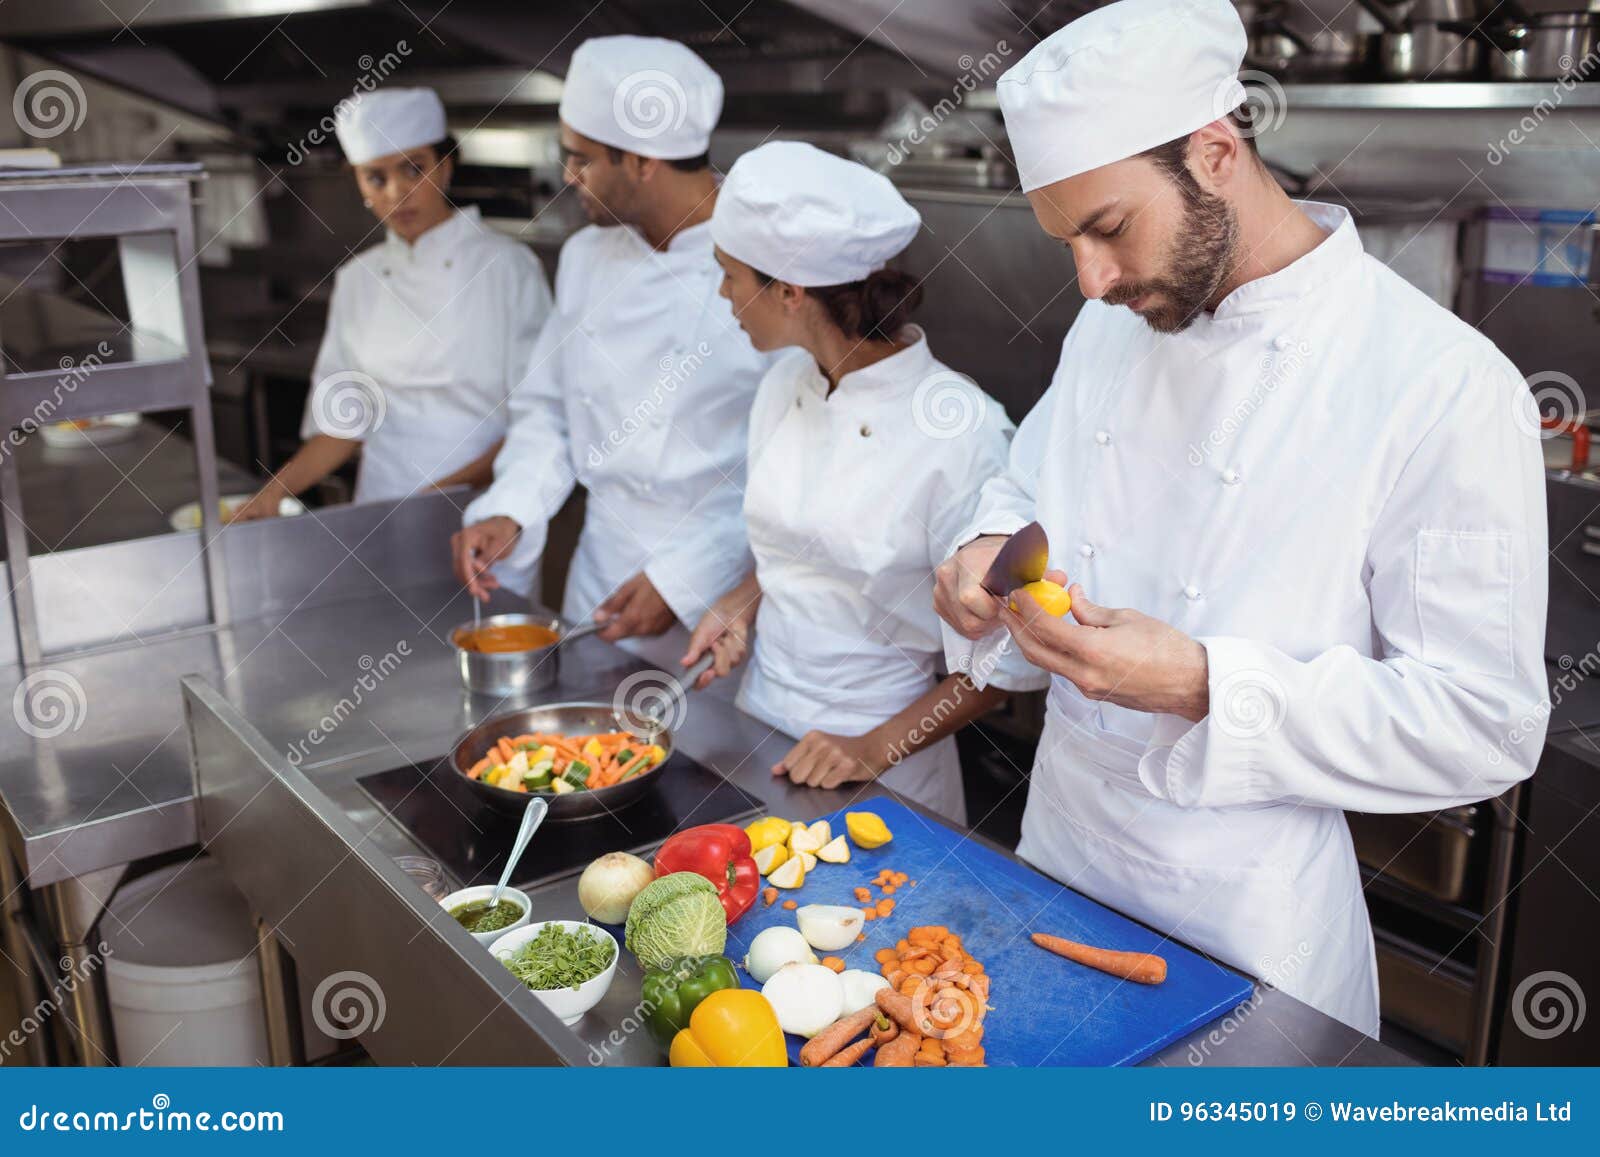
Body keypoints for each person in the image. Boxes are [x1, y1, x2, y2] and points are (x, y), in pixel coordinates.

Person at [934, 0, 1547, 1035]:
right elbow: (1022, 491)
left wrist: (1201, 682)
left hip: (1249, 926)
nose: (1089, 279)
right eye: (1066, 241)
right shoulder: (1108, 330)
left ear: (1215, 151)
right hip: (1060, 868)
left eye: (1108, 228)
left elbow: (1482, 719)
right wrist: (983, 550)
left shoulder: (1439, 383)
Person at [683, 141, 1030, 824]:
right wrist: (741, 601)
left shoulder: (960, 431)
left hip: (881, 767)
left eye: (729, 275)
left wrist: (870, 749)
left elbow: (1000, 669)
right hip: (761, 732)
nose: (722, 294)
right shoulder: (785, 382)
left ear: (789, 291)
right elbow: (808, 546)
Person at [451, 37, 772, 672]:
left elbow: (796, 469)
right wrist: (513, 506)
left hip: (727, 591)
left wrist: (685, 579)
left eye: (581, 159)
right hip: (600, 576)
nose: (567, 177)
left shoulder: (766, 259)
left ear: (643, 161)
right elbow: (548, 410)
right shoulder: (585, 259)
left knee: (712, 767)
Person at [233, 87, 552, 522]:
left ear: (445, 166)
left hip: (486, 510)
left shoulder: (508, 268)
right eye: (376, 177)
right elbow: (344, 425)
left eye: (413, 170)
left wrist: (436, 500)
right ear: (359, 183)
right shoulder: (357, 280)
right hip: (382, 506)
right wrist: (270, 496)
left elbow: (538, 419)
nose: (397, 193)